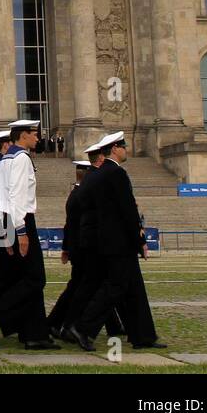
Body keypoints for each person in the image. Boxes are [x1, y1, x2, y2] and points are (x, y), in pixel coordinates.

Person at [69, 132, 164, 351]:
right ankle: (84, 327)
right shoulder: (116, 174)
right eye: (123, 146)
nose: (126, 150)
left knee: (133, 289)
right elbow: (128, 210)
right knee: (117, 286)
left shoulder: (97, 175)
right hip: (119, 241)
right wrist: (140, 238)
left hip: (104, 240)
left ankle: (143, 336)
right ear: (114, 149)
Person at [0, 119, 57, 350]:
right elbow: (16, 197)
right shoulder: (20, 158)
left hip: (6, 219)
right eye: (35, 133)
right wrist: (20, 231)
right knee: (35, 278)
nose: (38, 138)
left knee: (22, 277)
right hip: (19, 220)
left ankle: (34, 333)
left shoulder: (4, 161)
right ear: (24, 135)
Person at [47, 149, 105, 339]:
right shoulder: (83, 195)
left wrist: (65, 247)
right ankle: (66, 324)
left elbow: (68, 225)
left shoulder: (75, 194)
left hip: (77, 247)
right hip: (84, 248)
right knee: (83, 288)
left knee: (79, 286)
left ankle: (57, 323)